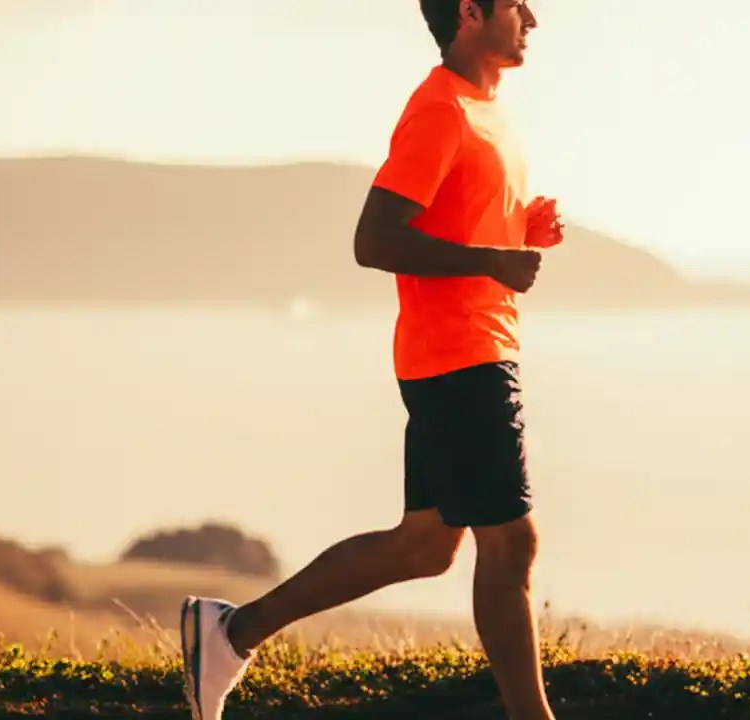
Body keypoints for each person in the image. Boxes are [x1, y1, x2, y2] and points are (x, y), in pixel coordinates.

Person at [180, 2, 563, 718]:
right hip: (461, 356)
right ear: (472, 13)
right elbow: (375, 239)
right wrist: (491, 258)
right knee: (510, 545)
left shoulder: (487, 111)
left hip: (469, 349)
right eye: (516, 3)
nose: (533, 17)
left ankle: (231, 632)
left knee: (423, 545)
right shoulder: (439, 109)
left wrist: (516, 229)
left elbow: (456, 222)